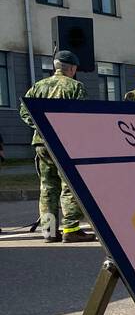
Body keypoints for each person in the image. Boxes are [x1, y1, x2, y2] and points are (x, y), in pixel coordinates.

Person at [19, 50, 95, 243]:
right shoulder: (76, 87)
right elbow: (82, 116)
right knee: (69, 185)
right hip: (64, 143)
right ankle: (70, 229)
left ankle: (50, 231)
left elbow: (24, 111)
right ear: (71, 68)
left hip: (41, 143)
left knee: (47, 186)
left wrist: (41, 126)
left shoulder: (37, 87)